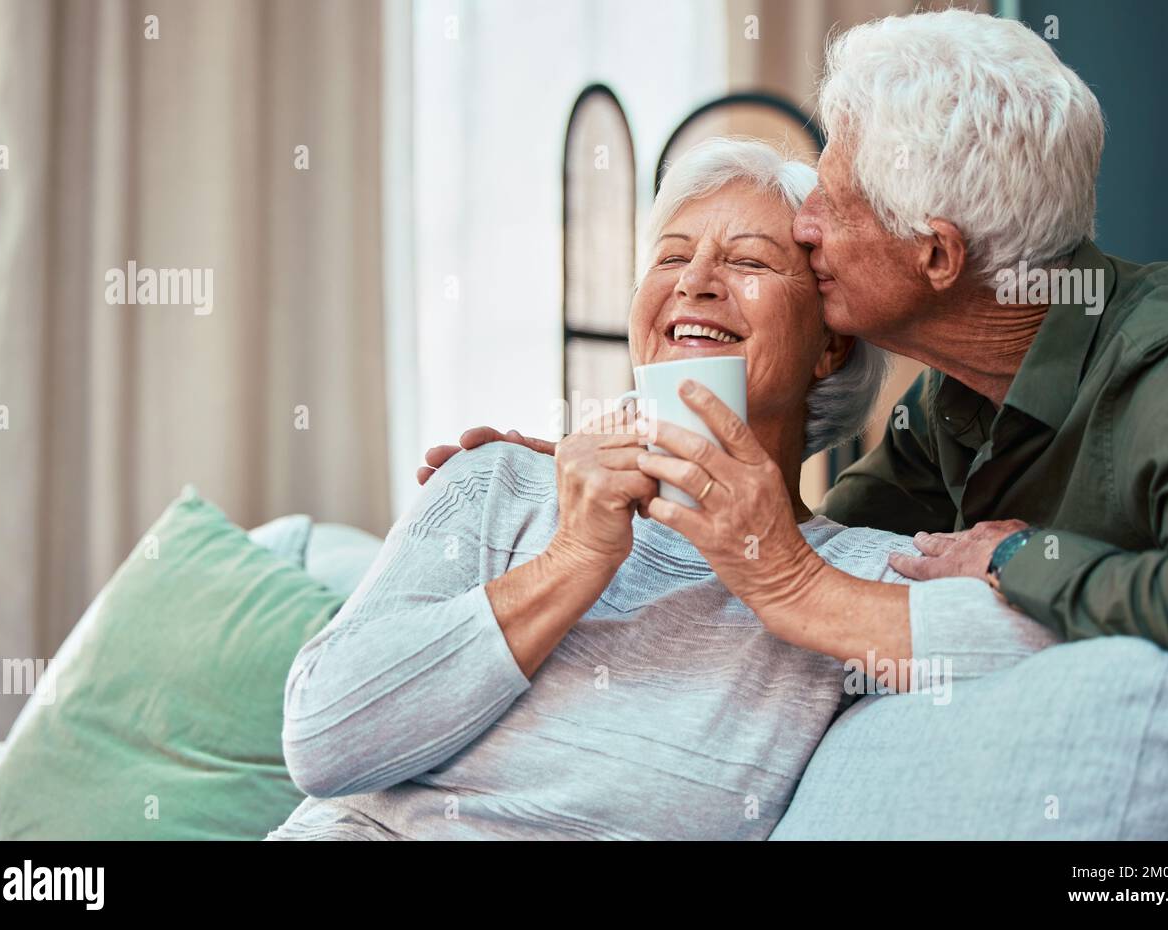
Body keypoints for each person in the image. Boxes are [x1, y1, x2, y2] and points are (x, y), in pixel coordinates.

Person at [426, 9, 1168, 719]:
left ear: (936, 255)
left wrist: (1013, 560)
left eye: (832, 199)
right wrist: (600, 472)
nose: (805, 224)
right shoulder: (951, 402)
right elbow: (812, 540)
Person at [267, 139, 1054, 840]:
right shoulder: (495, 485)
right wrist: (572, 559)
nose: (697, 284)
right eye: (672, 258)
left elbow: (1054, 664)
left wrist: (786, 577)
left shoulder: (847, 576)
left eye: (748, 262)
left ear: (828, 348)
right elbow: (323, 740)